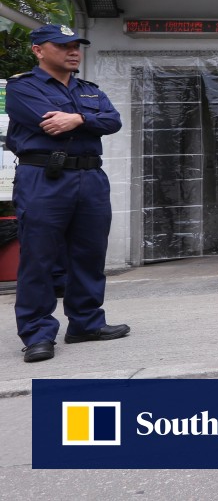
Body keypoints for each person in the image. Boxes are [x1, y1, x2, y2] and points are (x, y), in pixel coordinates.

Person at [7, 24, 128, 363]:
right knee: (39, 256)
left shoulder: (88, 89)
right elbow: (45, 121)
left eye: (76, 45)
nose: (73, 51)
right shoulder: (23, 87)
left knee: (89, 254)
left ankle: (86, 323)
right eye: (62, 46)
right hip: (45, 176)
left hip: (89, 176)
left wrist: (76, 118)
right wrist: (88, 119)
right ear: (38, 51)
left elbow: (114, 120)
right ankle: (37, 333)